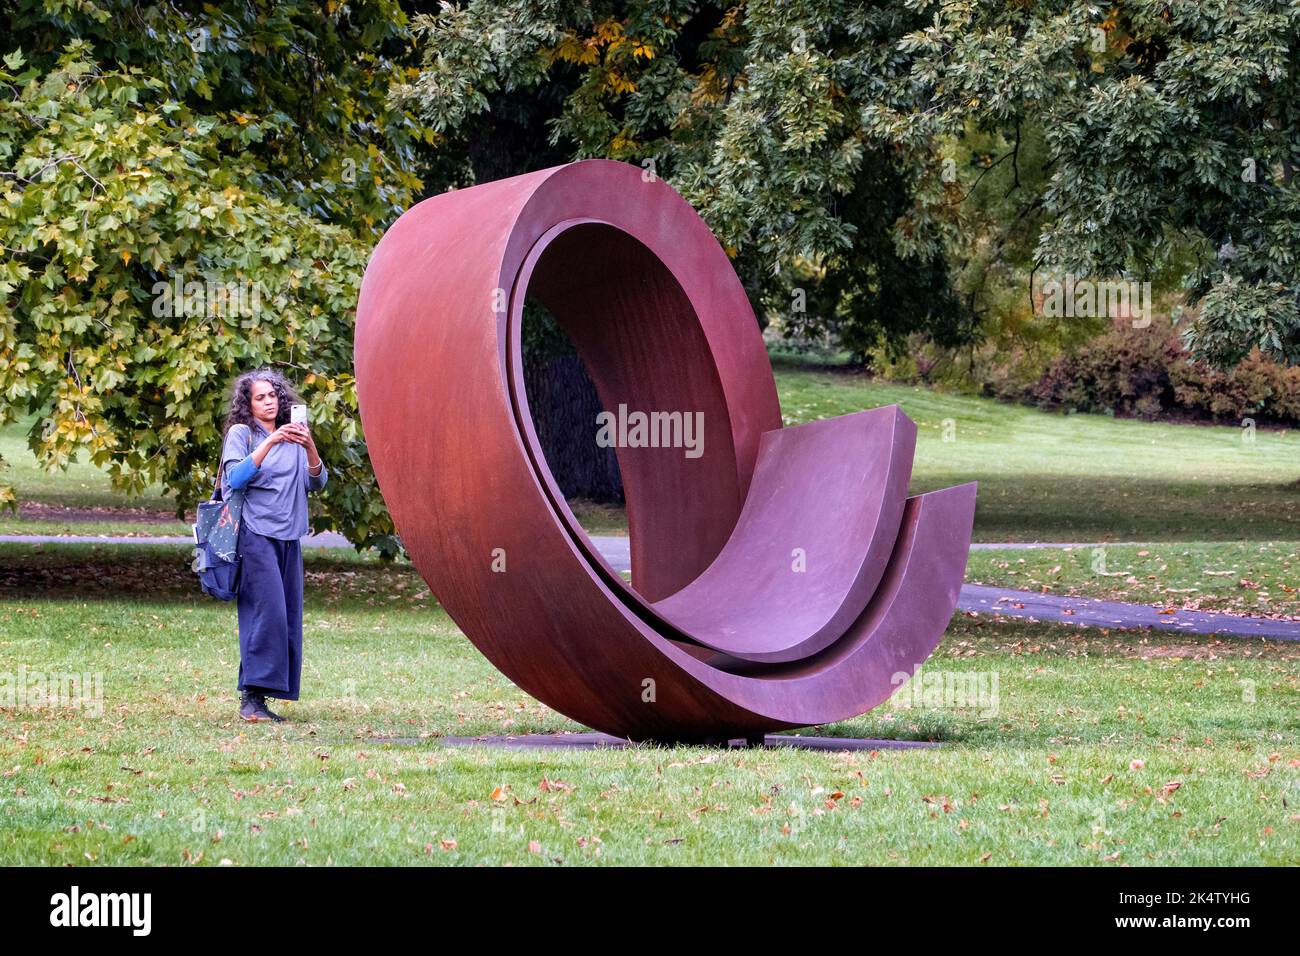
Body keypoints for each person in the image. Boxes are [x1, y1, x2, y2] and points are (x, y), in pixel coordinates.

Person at [219, 368, 328, 722]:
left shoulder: (296, 438)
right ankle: (251, 700)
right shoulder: (243, 433)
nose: (269, 402)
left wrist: (308, 444)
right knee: (268, 616)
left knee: (288, 619)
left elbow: (318, 483)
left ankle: (265, 696)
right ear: (247, 404)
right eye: (260, 397)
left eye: (273, 395)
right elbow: (233, 480)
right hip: (255, 535)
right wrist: (270, 441)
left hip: (289, 536)